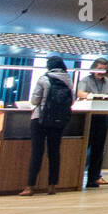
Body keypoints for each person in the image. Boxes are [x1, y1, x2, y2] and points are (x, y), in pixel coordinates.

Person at [20, 56, 75, 196]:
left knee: (37, 152)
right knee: (54, 152)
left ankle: (30, 187)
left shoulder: (44, 79)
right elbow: (72, 100)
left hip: (40, 119)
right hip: (59, 120)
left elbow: (34, 99)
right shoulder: (69, 80)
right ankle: (52, 186)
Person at [79, 58, 108, 188]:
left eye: (103, 70)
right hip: (89, 117)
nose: (101, 72)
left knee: (99, 149)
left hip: (102, 116)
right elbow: (80, 93)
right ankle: (78, 177)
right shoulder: (85, 80)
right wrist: (91, 96)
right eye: (99, 69)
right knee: (85, 147)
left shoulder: (107, 81)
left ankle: (94, 178)